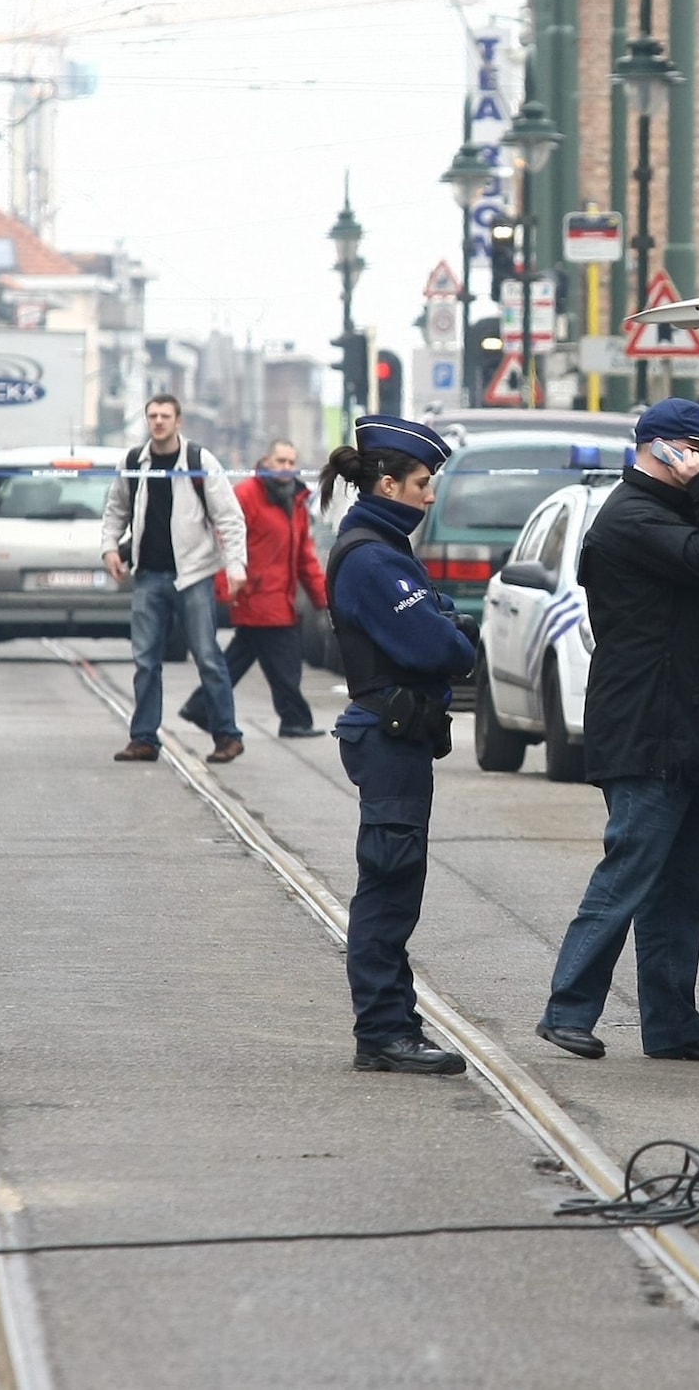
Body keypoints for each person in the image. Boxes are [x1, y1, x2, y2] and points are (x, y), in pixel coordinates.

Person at [536, 398, 699, 1064]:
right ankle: (567, 1006)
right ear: (663, 449)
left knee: (677, 888)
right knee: (630, 869)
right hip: (644, 727)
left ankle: (672, 1021)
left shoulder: (668, 512)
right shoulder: (631, 517)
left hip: (681, 725)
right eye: (697, 448)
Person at [323, 415, 482, 1076]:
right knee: (388, 884)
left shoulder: (385, 548)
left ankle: (395, 1023)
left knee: (397, 882)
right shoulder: (372, 557)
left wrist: (447, 621)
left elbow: (444, 618)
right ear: (387, 483)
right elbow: (440, 642)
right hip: (387, 735)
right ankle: (385, 1031)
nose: (429, 494)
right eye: (421, 482)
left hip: (400, 734)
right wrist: (450, 629)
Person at [100, 394, 249, 764]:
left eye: (165, 416)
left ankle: (227, 736)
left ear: (178, 420)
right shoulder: (134, 461)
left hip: (193, 574)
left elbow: (229, 517)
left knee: (207, 656)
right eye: (152, 416)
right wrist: (110, 548)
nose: (159, 422)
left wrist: (236, 565)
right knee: (145, 661)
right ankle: (144, 738)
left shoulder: (199, 461)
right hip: (148, 575)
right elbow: (116, 508)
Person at [183, 438, 328, 739]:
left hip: (279, 596)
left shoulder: (296, 501)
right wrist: (224, 586)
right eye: (280, 461)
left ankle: (200, 706)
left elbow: (305, 557)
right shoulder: (247, 495)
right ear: (265, 461)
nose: (286, 468)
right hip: (256, 595)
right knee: (285, 661)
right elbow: (225, 540)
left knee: (238, 659)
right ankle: (295, 719)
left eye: (291, 462)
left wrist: (323, 597)